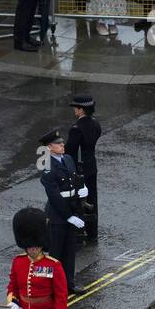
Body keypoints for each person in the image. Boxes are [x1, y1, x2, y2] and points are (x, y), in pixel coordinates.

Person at [39, 129, 88, 294]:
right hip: (58, 215)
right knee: (54, 254)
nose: (62, 145)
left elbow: (75, 178)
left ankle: (69, 284)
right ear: (49, 147)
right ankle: (49, 288)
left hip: (72, 210)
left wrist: (82, 188)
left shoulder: (67, 159)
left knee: (69, 252)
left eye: (62, 142)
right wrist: (68, 216)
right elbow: (54, 195)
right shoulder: (47, 166)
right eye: (58, 144)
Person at [65, 94, 102, 240]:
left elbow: (70, 149)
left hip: (79, 169)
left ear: (81, 110)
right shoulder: (95, 124)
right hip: (91, 165)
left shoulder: (76, 128)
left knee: (78, 200)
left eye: (76, 108)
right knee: (92, 198)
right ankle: (93, 232)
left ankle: (80, 231)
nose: (74, 110)